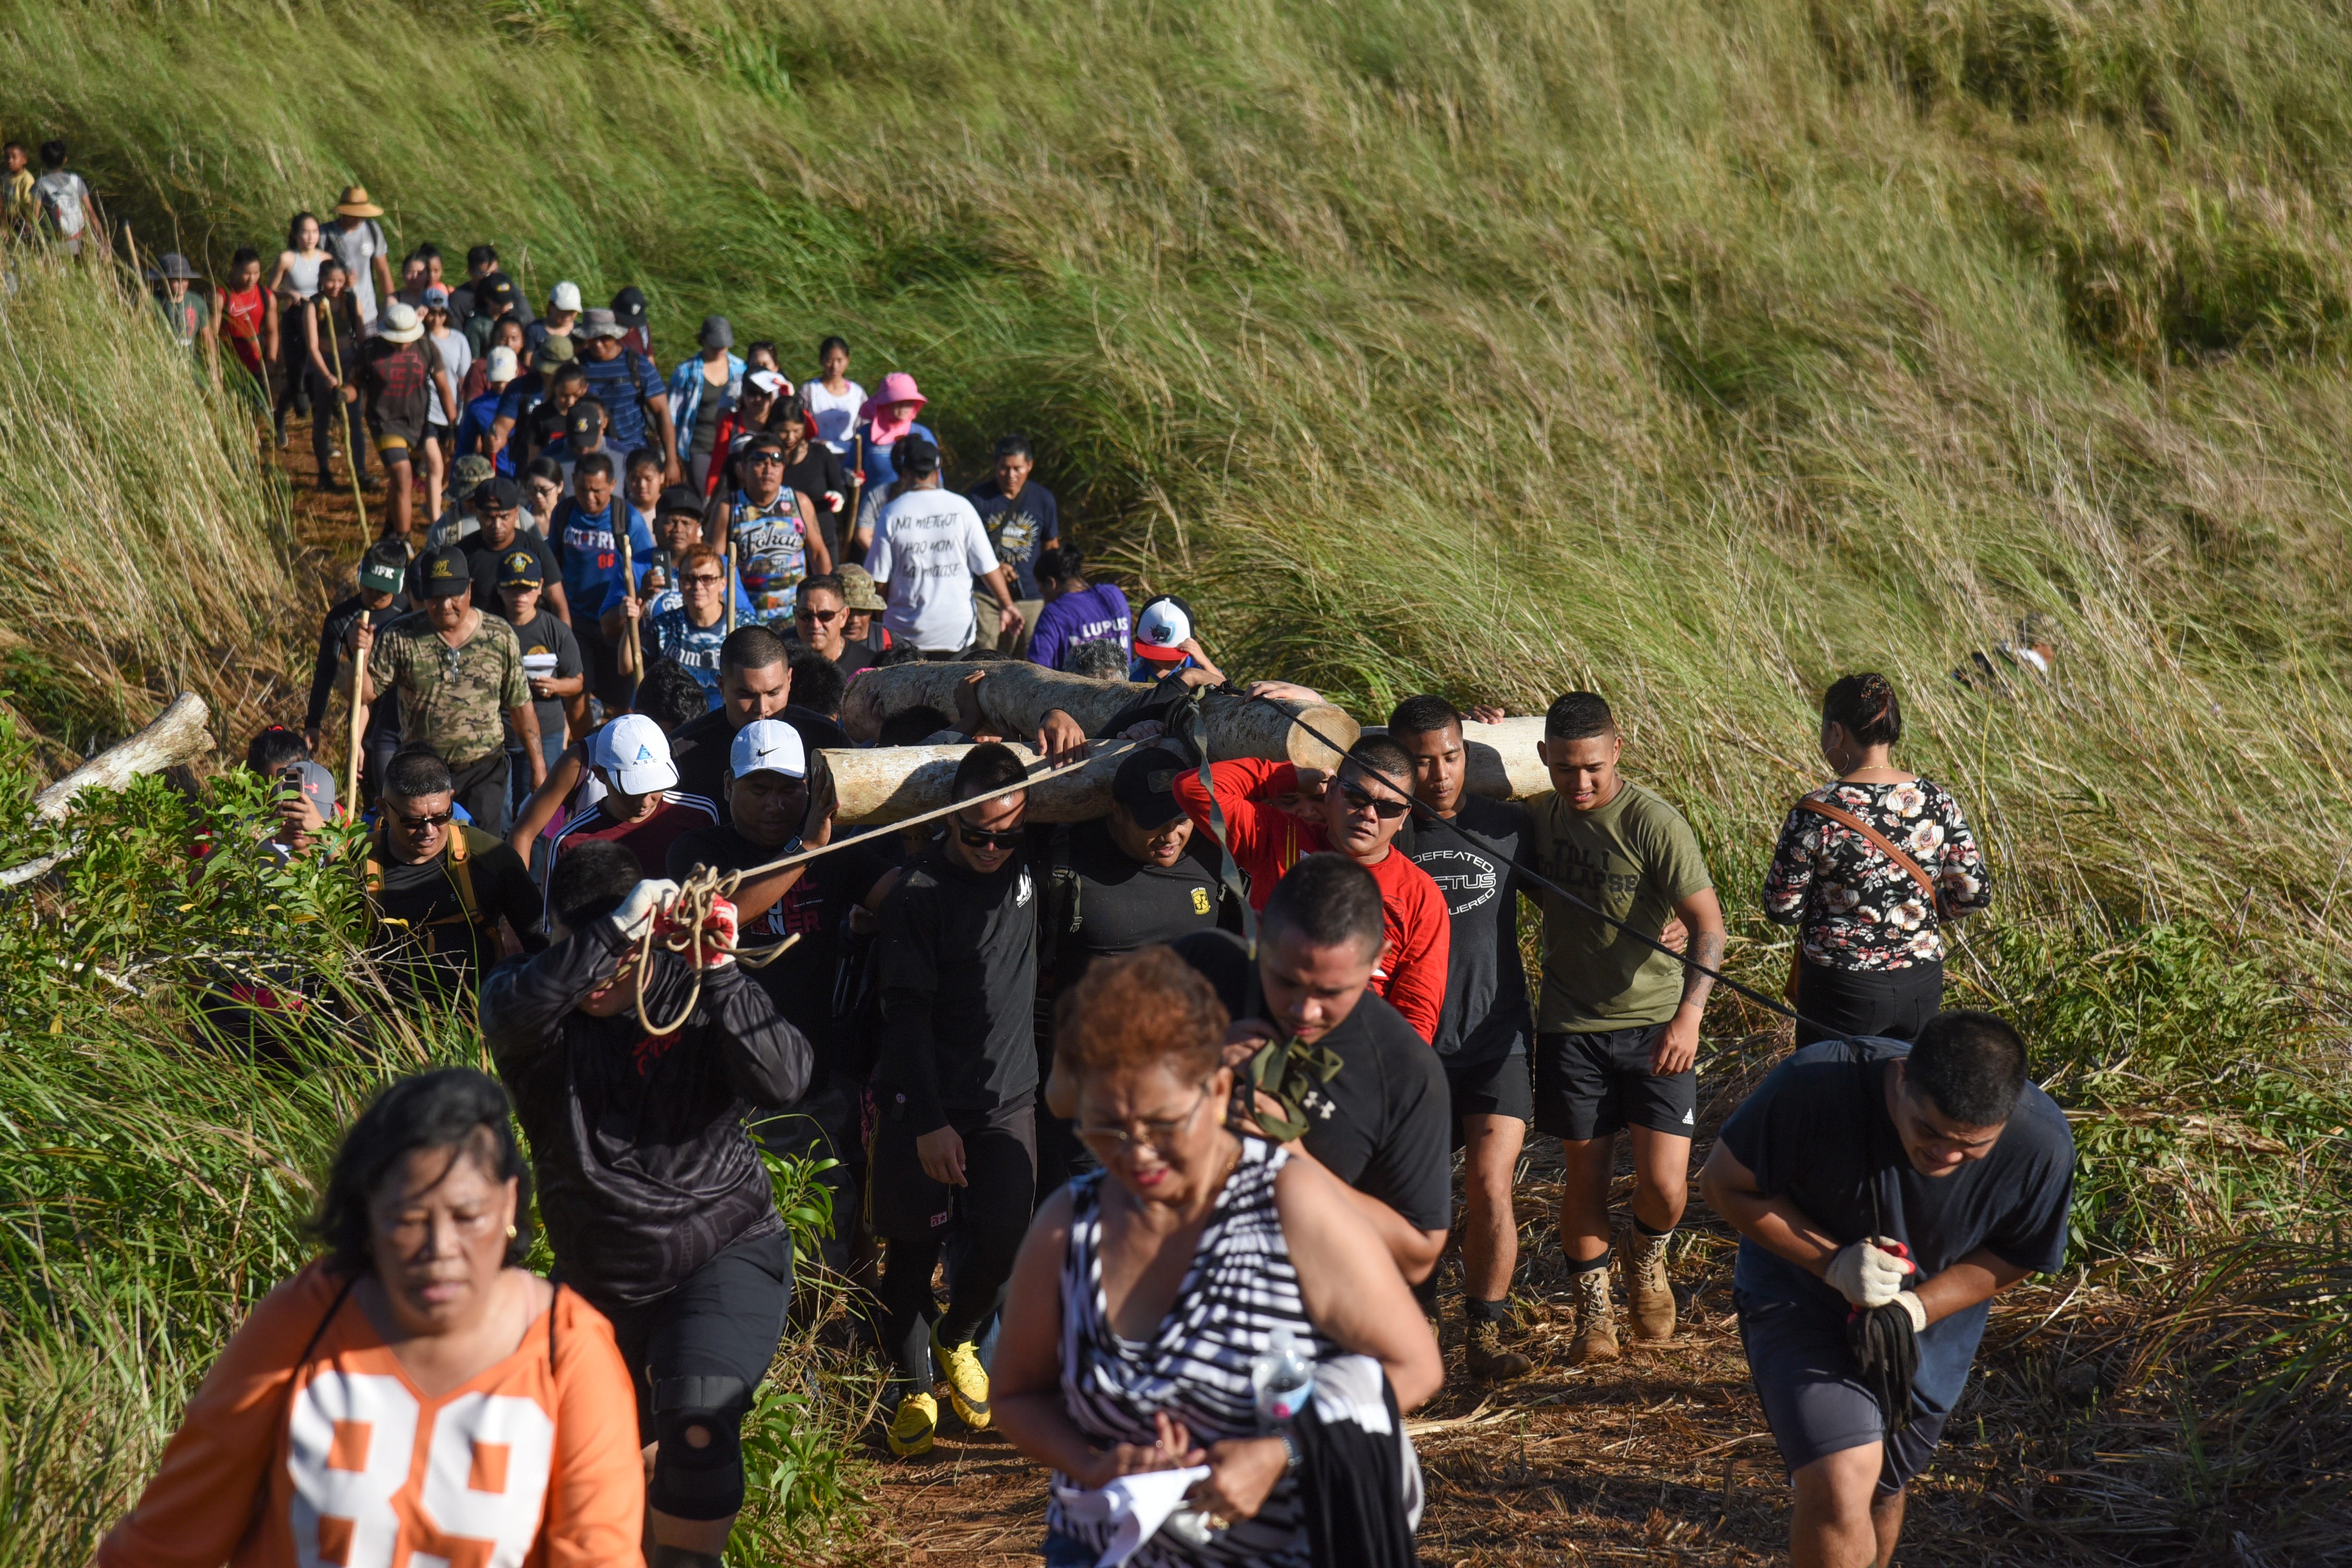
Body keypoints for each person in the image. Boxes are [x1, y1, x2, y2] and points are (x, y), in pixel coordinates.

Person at [995, 947, 1443, 1562]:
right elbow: (1018, 1394)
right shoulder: (1068, 1226)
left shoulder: (1289, 1201)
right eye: (1106, 1128)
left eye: (1162, 1123)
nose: (1137, 1153)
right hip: (1109, 1545)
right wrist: (1094, 1462)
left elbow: (1416, 1364)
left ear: (1218, 1090)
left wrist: (1281, 1450)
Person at [94, 1069, 644, 1568]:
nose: (440, 1247)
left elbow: (600, 1554)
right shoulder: (303, 1323)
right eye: (408, 1218)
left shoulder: (568, 1350)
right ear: (368, 1212)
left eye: (466, 1215)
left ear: (509, 1203)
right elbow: (167, 1540)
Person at [481, 845, 813, 1567]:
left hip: (721, 1248)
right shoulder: (532, 1001)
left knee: (697, 1427)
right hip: (600, 1282)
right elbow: (508, 1013)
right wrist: (616, 931)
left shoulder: (693, 987)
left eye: (623, 958)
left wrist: (720, 971)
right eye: (587, 951)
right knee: (605, 1487)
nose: (601, 977)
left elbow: (786, 1079)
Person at [1699, 1012, 2074, 1568]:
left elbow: (2020, 1251)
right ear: (1901, 1078)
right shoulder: (1813, 1084)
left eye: (1970, 1146)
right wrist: (1832, 1263)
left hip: (1929, 1327)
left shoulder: (2041, 1144)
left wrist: (1918, 1306)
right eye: (1929, 1130)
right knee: (1840, 1475)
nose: (1944, 1155)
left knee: (1882, 1485)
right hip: (1802, 1294)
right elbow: (1722, 1183)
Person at [1525, 690, 1726, 1362]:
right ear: (1543, 759)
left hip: (1655, 1025)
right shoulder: (1539, 819)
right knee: (1583, 1177)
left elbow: (1709, 925)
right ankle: (1595, 1318)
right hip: (1570, 1023)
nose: (1579, 783)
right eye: (1563, 769)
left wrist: (1689, 1017)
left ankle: (1645, 1254)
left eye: (1592, 768)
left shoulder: (1652, 821)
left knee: (1666, 1186)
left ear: (1618, 750)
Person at [1165, 856, 1452, 1291]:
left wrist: (1296, 1164)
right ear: (1259, 930)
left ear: (1380, 958)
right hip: (1161, 1281)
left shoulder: (1406, 1072)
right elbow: (1076, 1089)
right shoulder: (1201, 972)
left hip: (1300, 1317)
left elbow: (1417, 1256)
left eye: (1331, 992)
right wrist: (1192, 1064)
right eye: (1285, 981)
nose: (1304, 1011)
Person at [868, 744, 1044, 1456]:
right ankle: (913, 1388)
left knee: (1007, 1237)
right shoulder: (918, 895)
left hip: (1008, 1096)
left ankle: (956, 1336)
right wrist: (930, 1121)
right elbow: (904, 1017)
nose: (994, 847)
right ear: (949, 823)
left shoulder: (1030, 863)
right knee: (913, 1254)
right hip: (927, 1104)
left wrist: (1056, 719)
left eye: (1008, 833)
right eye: (978, 835)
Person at [1387, 695, 1538, 1380]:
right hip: (1411, 1048)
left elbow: (1589, 893)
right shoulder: (1383, 831)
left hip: (1496, 1038)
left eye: (1450, 756)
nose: (1439, 774)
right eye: (1421, 762)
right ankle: (1416, 1326)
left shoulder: (1508, 828)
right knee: (1416, 1201)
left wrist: (1669, 923)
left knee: (1488, 1187)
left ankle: (1486, 1334)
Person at [1029, 748, 1233, 1194]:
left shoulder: (1214, 858)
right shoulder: (1070, 858)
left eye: (1180, 819)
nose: (1171, 835)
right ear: (1116, 811)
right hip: (1094, 1082)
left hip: (1183, 1079)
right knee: (1096, 1212)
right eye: (1153, 822)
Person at [1170, 717, 1449, 1044]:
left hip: (1349, 1054)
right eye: (1357, 797)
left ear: (1403, 818)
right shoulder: (1275, 835)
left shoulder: (1421, 895)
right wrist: (1291, 777)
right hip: (1255, 1035)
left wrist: (1379, 1079)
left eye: (1388, 807)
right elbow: (1193, 789)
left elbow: (1417, 1013)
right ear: (1331, 791)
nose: (1369, 814)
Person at [1765, 673, 1991, 1047]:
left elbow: (1782, 907)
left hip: (1839, 987)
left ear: (1837, 732)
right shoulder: (1938, 801)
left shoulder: (1817, 811)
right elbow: (1973, 892)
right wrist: (1923, 916)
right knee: (1904, 1098)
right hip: (1920, 981)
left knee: (1834, 1097)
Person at [356, 546, 546, 834]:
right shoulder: (400, 636)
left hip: (482, 768)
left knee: (482, 848)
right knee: (426, 846)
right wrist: (362, 654)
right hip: (423, 771)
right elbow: (364, 693)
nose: (445, 605)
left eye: (453, 596)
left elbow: (520, 705)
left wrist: (538, 764)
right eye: (436, 597)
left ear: (469, 590)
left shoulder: (499, 635)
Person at [363, 748, 548, 998]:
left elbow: (542, 945)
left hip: (475, 1019)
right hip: (385, 1021)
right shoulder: (356, 866)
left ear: (452, 799)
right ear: (383, 809)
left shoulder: (491, 857)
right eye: (412, 822)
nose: (429, 832)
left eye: (442, 817)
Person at [665, 625, 853, 825]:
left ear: (789, 680)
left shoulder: (828, 741)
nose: (762, 708)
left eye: (773, 693)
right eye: (746, 695)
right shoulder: (681, 755)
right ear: (721, 686)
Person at [865, 437, 1022, 655]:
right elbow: (987, 566)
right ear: (937, 471)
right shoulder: (961, 508)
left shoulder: (892, 513)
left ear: (906, 473)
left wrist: (880, 618)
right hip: (956, 634)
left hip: (904, 633)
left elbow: (878, 580)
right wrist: (1007, 605)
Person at [540, 715, 720, 902]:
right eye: (632, 790)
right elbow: (559, 928)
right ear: (600, 775)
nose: (645, 802)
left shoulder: (701, 816)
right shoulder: (569, 841)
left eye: (654, 786)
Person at [552, 452, 657, 714]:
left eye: (597, 491)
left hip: (616, 622)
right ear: (573, 481)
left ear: (612, 484)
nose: (590, 498)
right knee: (577, 690)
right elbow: (552, 563)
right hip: (577, 622)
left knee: (621, 702)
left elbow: (646, 564)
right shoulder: (564, 512)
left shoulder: (626, 518)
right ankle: (583, 747)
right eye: (583, 489)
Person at [303, 543, 410, 791]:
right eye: (369, 587)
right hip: (368, 721)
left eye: (382, 592)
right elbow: (325, 674)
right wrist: (313, 724)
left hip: (406, 717)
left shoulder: (408, 612)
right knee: (376, 795)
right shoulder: (343, 618)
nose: (374, 595)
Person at [358, 301, 458, 541]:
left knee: (400, 482)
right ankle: (404, 539)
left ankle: (390, 529)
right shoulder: (370, 350)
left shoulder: (427, 349)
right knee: (402, 475)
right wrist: (342, 392)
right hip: (384, 423)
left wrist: (454, 427)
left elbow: (444, 389)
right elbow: (354, 385)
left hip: (418, 424)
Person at [499, 550, 585, 816]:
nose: (520, 596)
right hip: (499, 734)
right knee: (499, 813)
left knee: (538, 811)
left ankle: (536, 859)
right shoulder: (491, 628)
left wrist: (556, 686)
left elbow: (578, 682)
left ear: (540, 588)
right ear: (500, 589)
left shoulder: (556, 630)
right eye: (513, 588)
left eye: (526, 588)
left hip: (547, 733)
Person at [709, 432, 829, 623]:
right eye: (759, 462)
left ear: (783, 468)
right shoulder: (729, 508)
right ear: (743, 467)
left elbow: (818, 554)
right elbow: (715, 564)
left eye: (776, 463)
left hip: (797, 617)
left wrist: (825, 600)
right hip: (746, 617)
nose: (768, 470)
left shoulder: (800, 502)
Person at [575, 306, 679, 483]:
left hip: (633, 456)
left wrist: (672, 461)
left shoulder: (638, 365)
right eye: (593, 339)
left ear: (615, 336)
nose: (598, 344)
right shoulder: (577, 366)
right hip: (590, 457)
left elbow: (662, 412)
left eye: (604, 338)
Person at [634, 544, 733, 707]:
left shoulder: (742, 626)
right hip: (675, 722)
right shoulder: (664, 626)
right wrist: (637, 609)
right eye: (689, 579)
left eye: (707, 579)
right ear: (679, 584)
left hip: (723, 720)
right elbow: (627, 667)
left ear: (723, 584)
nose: (698, 586)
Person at [966, 435, 1060, 605]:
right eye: (1004, 468)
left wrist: (1052, 589)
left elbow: (1051, 546)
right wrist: (994, 568)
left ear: (1030, 465)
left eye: (1018, 468)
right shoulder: (977, 499)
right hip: (987, 594)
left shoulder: (1044, 499)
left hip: (1032, 596)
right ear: (995, 465)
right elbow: (966, 547)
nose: (1011, 475)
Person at [301, 258, 369, 494]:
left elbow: (361, 338)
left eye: (340, 280)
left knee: (354, 419)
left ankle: (360, 472)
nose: (336, 286)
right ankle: (324, 472)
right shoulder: (313, 305)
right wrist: (328, 376)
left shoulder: (351, 301)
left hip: (349, 362)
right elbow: (312, 346)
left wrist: (356, 371)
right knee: (323, 420)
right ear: (321, 280)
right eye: (331, 281)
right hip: (324, 366)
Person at [265, 212, 328, 447]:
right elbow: (268, 292)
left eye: (315, 231)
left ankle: (324, 438)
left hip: (319, 320)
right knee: (296, 378)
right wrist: (287, 294)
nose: (310, 237)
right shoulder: (287, 259)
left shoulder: (325, 258)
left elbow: (335, 286)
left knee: (316, 378)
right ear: (295, 234)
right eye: (305, 232)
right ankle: (280, 418)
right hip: (294, 318)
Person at [1025, 548, 1131, 675]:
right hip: (1125, 688)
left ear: (1051, 583)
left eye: (1041, 590)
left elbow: (1035, 671)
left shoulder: (1054, 613)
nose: (1043, 597)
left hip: (1079, 692)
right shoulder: (1114, 594)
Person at [671, 315, 743, 492]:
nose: (719, 349)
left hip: (731, 443)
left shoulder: (741, 368)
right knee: (705, 495)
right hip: (699, 444)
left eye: (723, 345)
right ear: (703, 340)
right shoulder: (685, 372)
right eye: (714, 344)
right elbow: (672, 414)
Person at [420, 285, 474, 519]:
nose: (437, 318)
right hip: (426, 412)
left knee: (449, 463)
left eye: (442, 313)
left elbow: (464, 379)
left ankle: (434, 500)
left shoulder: (458, 340)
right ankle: (435, 519)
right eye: (432, 313)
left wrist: (462, 413)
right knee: (435, 464)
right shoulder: (416, 339)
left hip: (453, 412)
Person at [699, 369, 782, 500]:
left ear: (772, 395)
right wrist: (709, 497)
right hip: (735, 489)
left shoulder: (779, 422)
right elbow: (718, 464)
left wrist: (786, 396)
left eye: (764, 394)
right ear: (743, 393)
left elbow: (810, 432)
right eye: (752, 393)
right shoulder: (730, 422)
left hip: (772, 491)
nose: (758, 399)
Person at [849, 370, 936, 494]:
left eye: (909, 401)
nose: (904, 406)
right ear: (884, 404)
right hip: (873, 507)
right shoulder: (866, 434)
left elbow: (937, 478)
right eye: (898, 402)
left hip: (913, 508)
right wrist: (849, 476)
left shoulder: (923, 434)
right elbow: (848, 467)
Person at [323, 184, 393, 332]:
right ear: (342, 212)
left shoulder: (372, 230)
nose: (358, 218)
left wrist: (392, 305)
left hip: (368, 315)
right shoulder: (325, 235)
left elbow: (383, 270)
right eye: (353, 213)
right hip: (336, 313)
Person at [1951, 611, 2063, 693]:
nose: (2057, 652)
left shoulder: (1982, 659)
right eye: (2055, 646)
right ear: (2037, 646)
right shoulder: (2036, 679)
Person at [150, 253, 217, 373]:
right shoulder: (153, 302)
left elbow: (207, 339)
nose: (182, 284)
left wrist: (214, 372)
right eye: (176, 280)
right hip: (162, 368)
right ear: (163, 280)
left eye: (184, 279)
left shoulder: (197, 302)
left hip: (191, 369)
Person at [216, 246, 272, 391]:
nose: (252, 279)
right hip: (230, 361)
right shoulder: (221, 296)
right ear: (234, 269)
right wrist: (215, 364)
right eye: (247, 273)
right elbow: (211, 334)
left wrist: (271, 361)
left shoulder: (266, 296)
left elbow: (272, 332)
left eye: (256, 273)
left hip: (257, 360)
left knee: (261, 408)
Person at [458, 344, 520, 469]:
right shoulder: (477, 407)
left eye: (505, 379)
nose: (501, 385)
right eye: (496, 380)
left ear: (517, 373)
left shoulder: (528, 400)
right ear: (487, 374)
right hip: (496, 477)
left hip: (526, 477)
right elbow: (464, 450)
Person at [801, 335, 864, 454]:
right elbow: (799, 422)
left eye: (840, 361)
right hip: (817, 453)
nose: (835, 366)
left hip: (848, 454)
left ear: (848, 361)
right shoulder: (809, 390)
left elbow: (864, 425)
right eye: (829, 360)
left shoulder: (857, 392)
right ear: (821, 361)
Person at [32, 140, 93, 256]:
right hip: (79, 241)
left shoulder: (40, 184)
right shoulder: (77, 181)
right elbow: (91, 212)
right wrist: (104, 242)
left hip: (53, 245)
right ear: (65, 159)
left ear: (43, 161)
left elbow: (34, 217)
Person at [834, 562, 892, 662]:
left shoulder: (889, 643)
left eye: (862, 611)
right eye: (848, 611)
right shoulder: (806, 643)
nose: (854, 620)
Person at [526, 279, 582, 356]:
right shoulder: (535, 329)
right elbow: (528, 363)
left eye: (572, 311)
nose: (567, 315)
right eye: (563, 310)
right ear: (551, 307)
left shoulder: (580, 331)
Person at [611, 285, 656, 361]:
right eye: (625, 321)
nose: (630, 326)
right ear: (614, 310)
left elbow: (650, 361)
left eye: (634, 322)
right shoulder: (604, 331)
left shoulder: (643, 329)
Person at [2, 142, 33, 239]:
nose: (10, 161)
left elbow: (28, 204)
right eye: (7, 158)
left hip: (20, 220)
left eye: (14, 158)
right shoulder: (5, 178)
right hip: (7, 218)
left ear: (24, 160)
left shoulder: (27, 179)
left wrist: (27, 224)